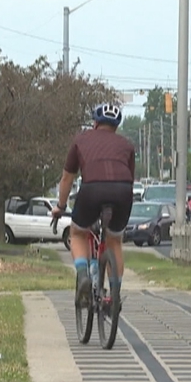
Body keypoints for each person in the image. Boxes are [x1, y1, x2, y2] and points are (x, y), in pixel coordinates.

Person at [51, 103, 135, 307]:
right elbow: (130, 177)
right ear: (116, 126)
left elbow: (67, 178)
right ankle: (115, 295)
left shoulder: (81, 141)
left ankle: (83, 275)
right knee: (114, 241)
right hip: (123, 191)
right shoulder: (127, 145)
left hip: (93, 190)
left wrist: (60, 207)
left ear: (95, 123)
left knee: (78, 232)